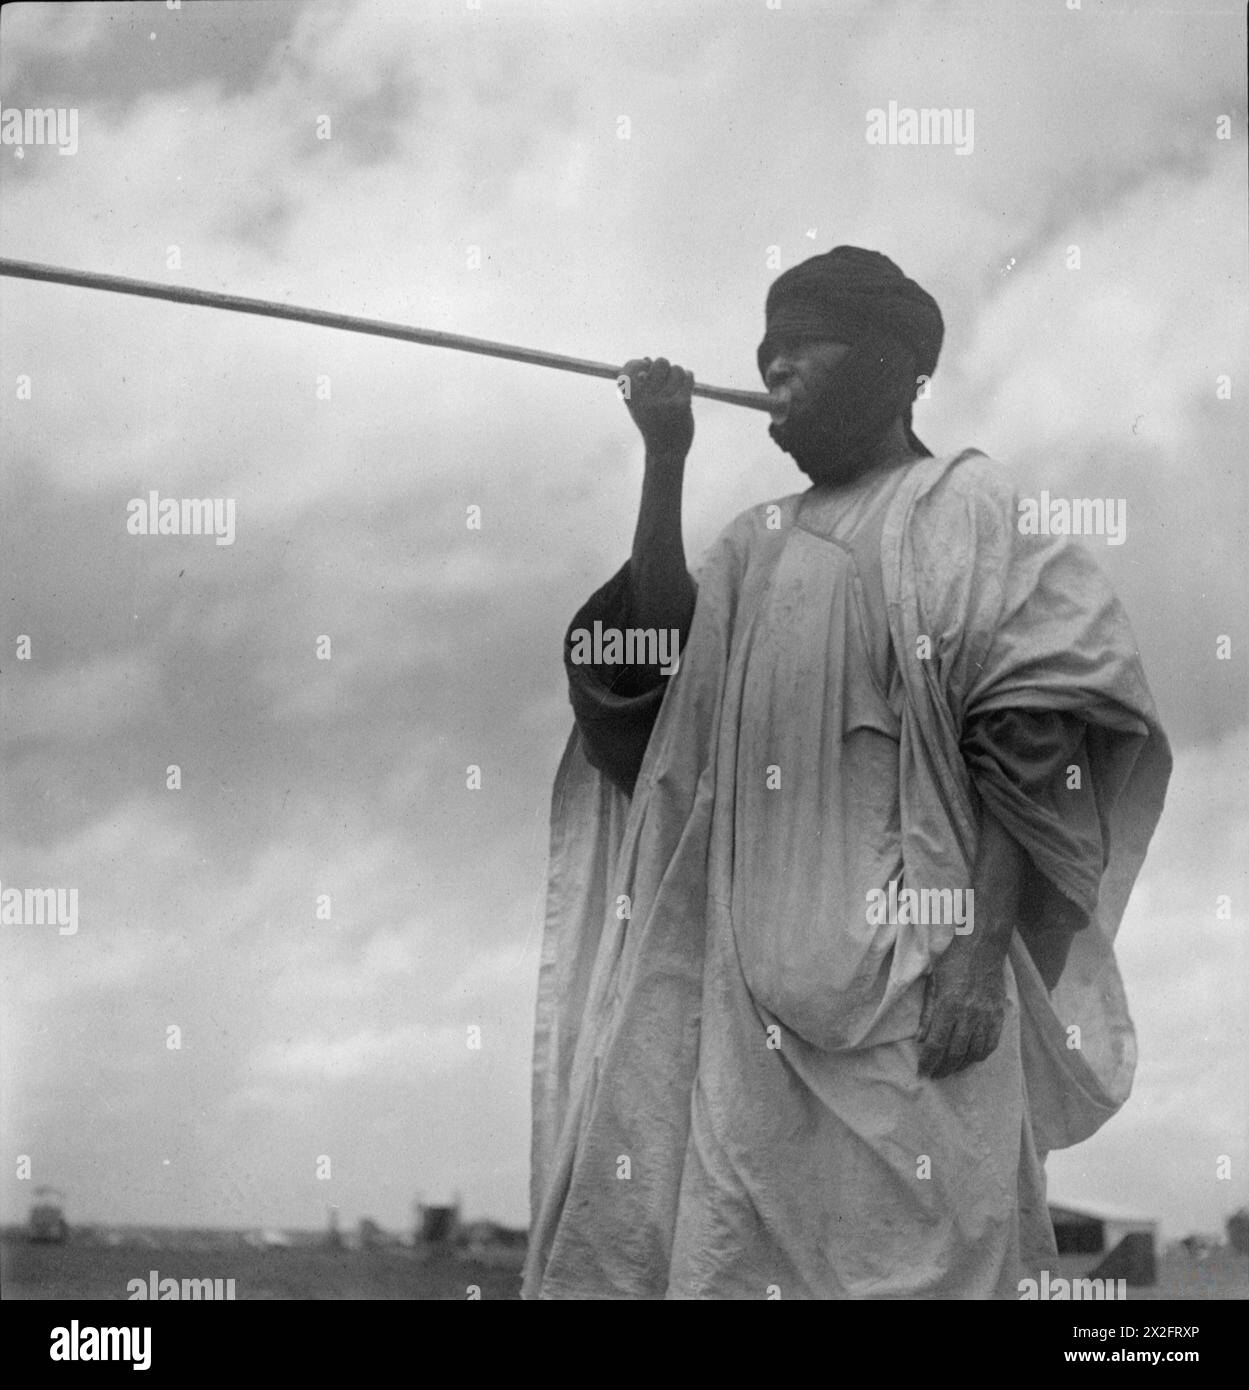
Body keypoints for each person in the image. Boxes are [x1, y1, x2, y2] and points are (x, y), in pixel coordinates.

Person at [523, 245, 1171, 1299]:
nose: (773, 373)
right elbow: (652, 686)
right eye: (763, 355)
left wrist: (974, 958)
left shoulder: (964, 510)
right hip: (747, 1034)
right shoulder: (753, 548)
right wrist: (666, 457)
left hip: (917, 1017)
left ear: (888, 362)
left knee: (929, 1267)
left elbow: (1029, 741)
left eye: (798, 350)